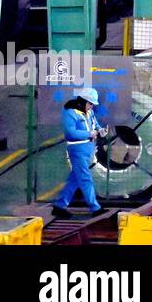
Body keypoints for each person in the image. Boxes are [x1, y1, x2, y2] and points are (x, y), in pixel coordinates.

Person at [51, 86, 107, 219]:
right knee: (85, 178)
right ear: (83, 101)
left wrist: (101, 131)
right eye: (90, 103)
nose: (92, 106)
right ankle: (95, 208)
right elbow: (70, 132)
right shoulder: (70, 112)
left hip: (88, 149)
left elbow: (95, 124)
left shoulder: (89, 112)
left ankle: (59, 206)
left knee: (75, 179)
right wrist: (89, 133)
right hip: (77, 150)